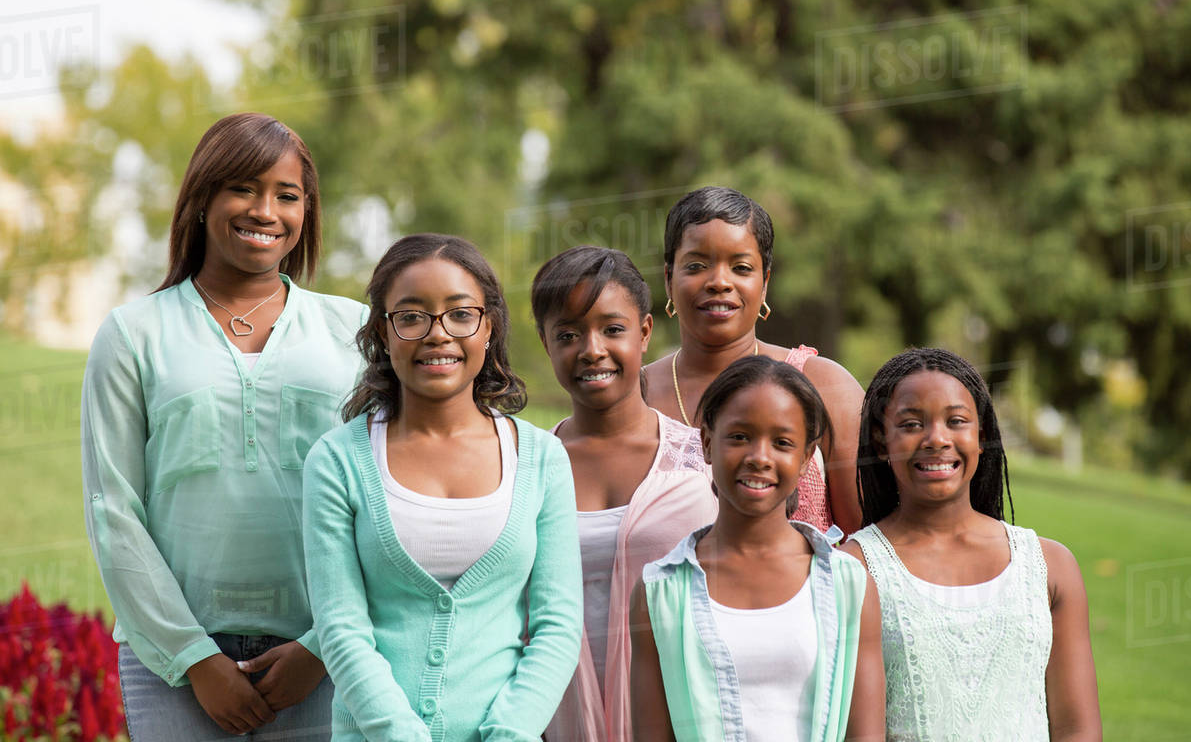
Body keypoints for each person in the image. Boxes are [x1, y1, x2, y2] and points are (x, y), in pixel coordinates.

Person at [81, 112, 367, 738]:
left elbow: (388, 501)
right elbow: (113, 509)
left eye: (287, 195)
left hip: (327, 659)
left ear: (306, 213)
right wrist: (197, 661)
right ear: (202, 199)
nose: (265, 210)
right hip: (175, 665)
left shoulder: (355, 331)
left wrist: (323, 646)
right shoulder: (133, 335)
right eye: (243, 188)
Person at [302, 233, 583, 741]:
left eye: (459, 313)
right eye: (411, 316)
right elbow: (342, 629)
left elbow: (557, 628)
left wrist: (508, 734)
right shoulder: (336, 461)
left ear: (488, 327)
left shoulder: (542, 460)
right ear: (383, 334)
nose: (438, 334)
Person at [843, 348, 1102, 741]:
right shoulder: (857, 570)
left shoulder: (1051, 567)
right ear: (882, 442)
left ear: (981, 437)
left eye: (956, 421)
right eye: (912, 424)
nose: (936, 439)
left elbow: (1077, 730)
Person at [630, 356, 885, 742]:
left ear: (804, 458)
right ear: (707, 443)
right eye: (739, 437)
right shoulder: (659, 594)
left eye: (782, 443)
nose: (759, 458)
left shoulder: (849, 586)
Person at [531, 246, 716, 742]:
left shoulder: (703, 464)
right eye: (568, 335)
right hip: (550, 726)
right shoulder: (524, 470)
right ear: (545, 343)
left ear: (646, 332)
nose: (592, 349)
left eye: (613, 329)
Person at [642, 186, 864, 534]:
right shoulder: (635, 394)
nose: (719, 282)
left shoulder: (826, 387)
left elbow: (866, 544)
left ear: (764, 283)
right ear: (669, 279)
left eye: (741, 267)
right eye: (697, 265)